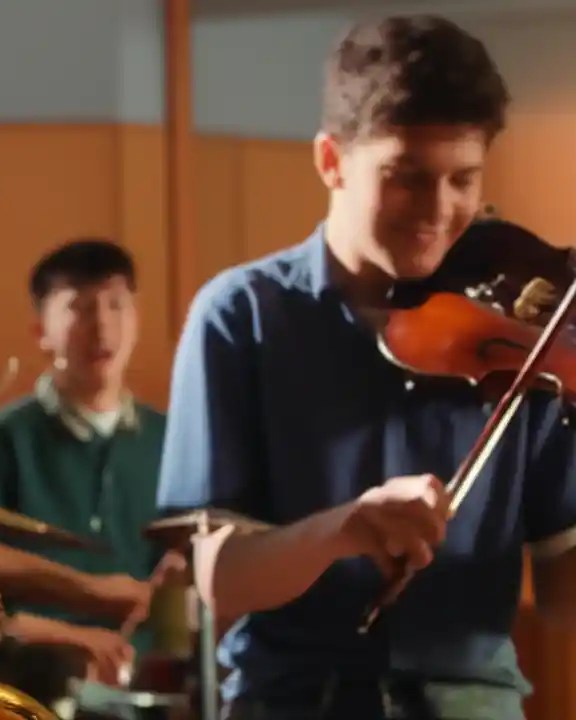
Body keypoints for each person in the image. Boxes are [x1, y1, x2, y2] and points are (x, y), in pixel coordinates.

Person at [157, 15, 576, 720]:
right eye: (405, 179)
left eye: (463, 180)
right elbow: (218, 576)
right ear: (331, 161)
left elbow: (564, 594)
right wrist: (346, 527)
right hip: (292, 702)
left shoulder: (531, 337)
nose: (440, 212)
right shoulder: (242, 315)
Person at [0, 239, 185, 701]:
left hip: (143, 687)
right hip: (30, 680)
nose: (102, 326)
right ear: (42, 330)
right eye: (79, 308)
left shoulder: (172, 439)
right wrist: (65, 637)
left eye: (117, 306)